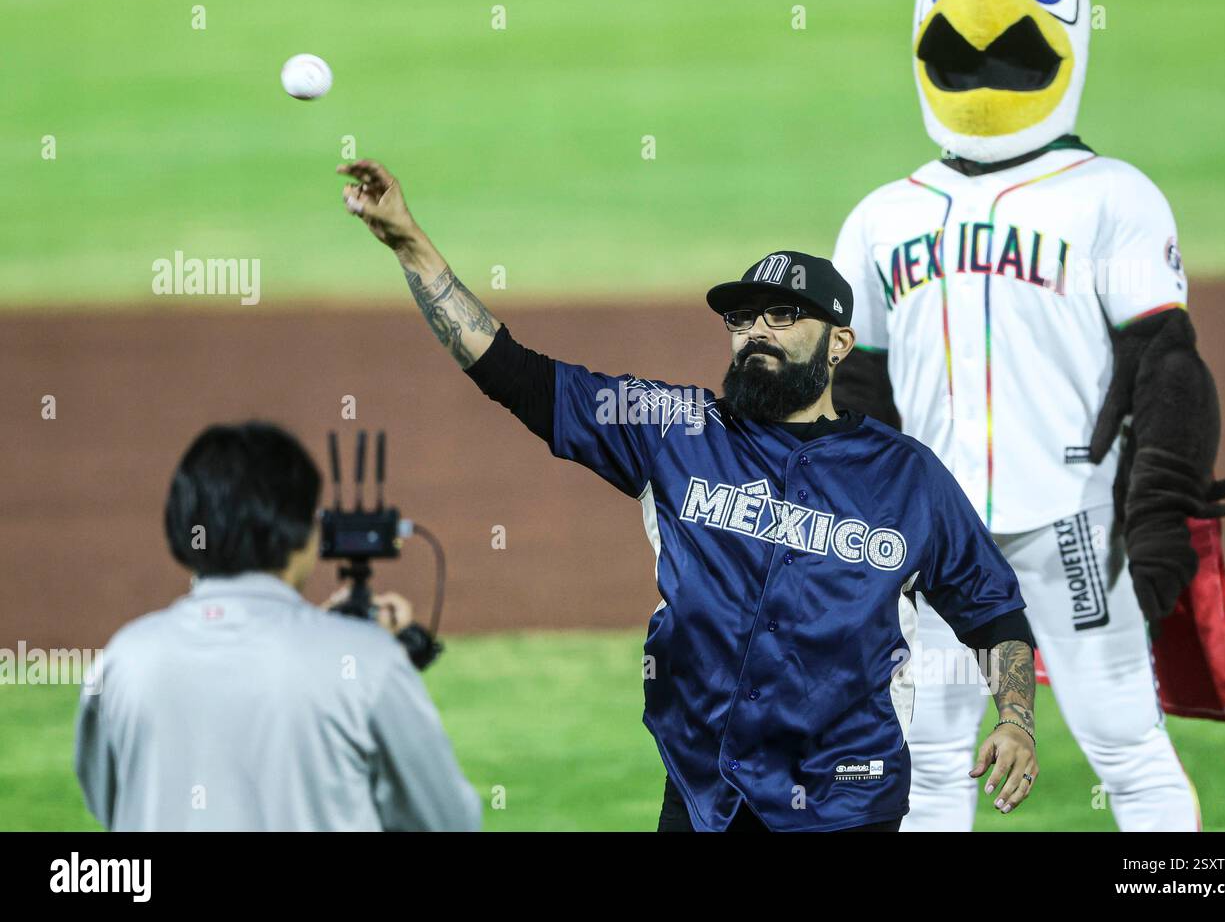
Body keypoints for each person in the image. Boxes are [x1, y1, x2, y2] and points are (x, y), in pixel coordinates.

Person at [339, 159, 1039, 832]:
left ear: (839, 343)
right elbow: (516, 374)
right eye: (743, 320)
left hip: (847, 800)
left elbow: (993, 610)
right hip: (709, 795)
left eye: (782, 317)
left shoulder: (906, 477)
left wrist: (1015, 718)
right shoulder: (676, 430)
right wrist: (410, 244)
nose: (756, 331)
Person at [831, 0, 1225, 831]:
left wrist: (1162, 504)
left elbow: (1166, 366)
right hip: (938, 541)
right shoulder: (880, 217)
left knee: (1129, 749)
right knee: (929, 762)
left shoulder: (1113, 196)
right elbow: (854, 394)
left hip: (1077, 528)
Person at [74, 421, 481, 831]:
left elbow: (112, 799)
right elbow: (448, 821)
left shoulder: (124, 659)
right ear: (302, 534)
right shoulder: (368, 665)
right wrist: (365, 652)